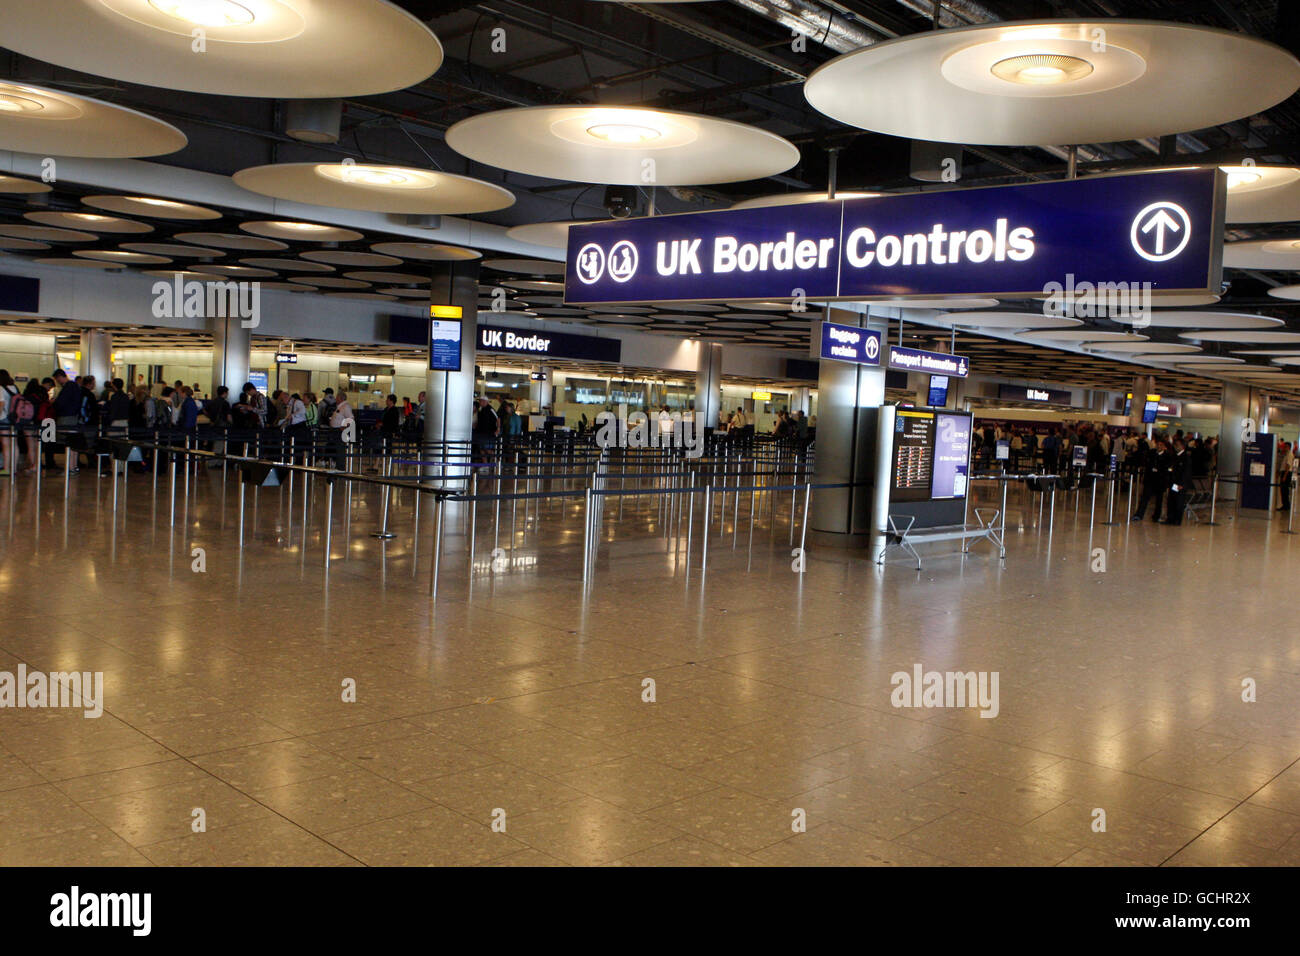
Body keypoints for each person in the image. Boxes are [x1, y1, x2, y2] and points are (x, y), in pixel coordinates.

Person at [49, 369, 81, 473]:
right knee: (74, 443)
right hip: (74, 417)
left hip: (67, 418)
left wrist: (54, 403)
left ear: (59, 377)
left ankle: (70, 467)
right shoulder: (75, 386)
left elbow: (61, 403)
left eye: (57, 379)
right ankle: (74, 466)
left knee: (69, 443)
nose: (57, 382)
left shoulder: (68, 387)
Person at [1133, 437, 1170, 522]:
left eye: (1161, 445)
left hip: (1160, 481)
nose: (1159, 446)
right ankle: (1139, 514)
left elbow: (1166, 467)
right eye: (1158, 444)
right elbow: (1146, 462)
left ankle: (1156, 516)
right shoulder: (1151, 453)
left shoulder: (1167, 456)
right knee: (1145, 498)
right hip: (1150, 479)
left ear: (1164, 447)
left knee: (1159, 500)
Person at [1165, 437, 1193, 525]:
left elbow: (1186, 472)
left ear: (1182, 446)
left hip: (1180, 483)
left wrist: (1182, 484)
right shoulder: (1174, 456)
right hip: (1173, 482)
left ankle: (1177, 520)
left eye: (1177, 445)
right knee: (1171, 500)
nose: (1175, 447)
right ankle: (1170, 518)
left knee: (1179, 502)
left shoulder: (1186, 457)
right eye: (1175, 445)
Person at [1279, 441, 1295, 512]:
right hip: (1284, 473)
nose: (1284, 448)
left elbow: (1288, 466)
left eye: (1285, 447)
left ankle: (1286, 505)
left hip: (1287, 473)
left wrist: (1285, 476)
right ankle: (1284, 505)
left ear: (1288, 447)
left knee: (1284, 490)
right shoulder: (1286, 454)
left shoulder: (1290, 454)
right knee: (1283, 490)